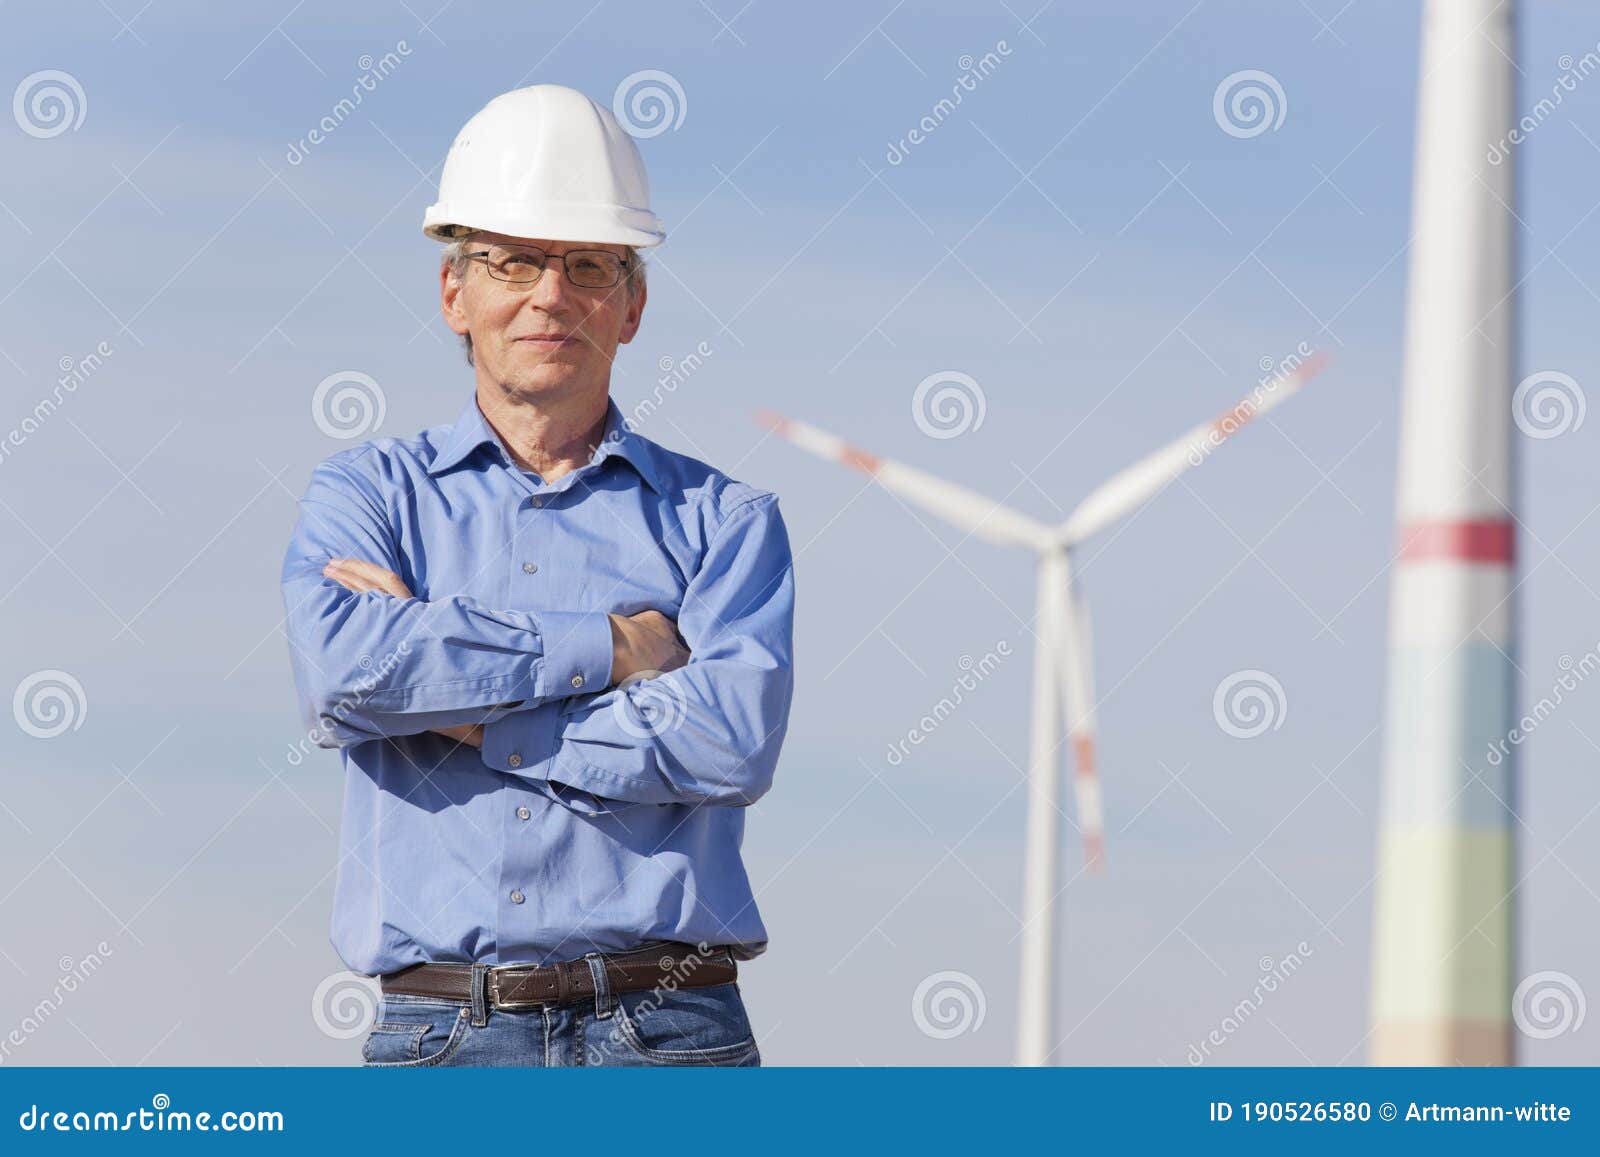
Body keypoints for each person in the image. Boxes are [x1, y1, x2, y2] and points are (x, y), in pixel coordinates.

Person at [279, 84, 795, 1067]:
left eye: (588, 265)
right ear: (453, 293)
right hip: (441, 1034)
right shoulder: (368, 495)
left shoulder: (725, 522)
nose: (549, 295)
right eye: (511, 259)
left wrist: (450, 695)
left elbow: (728, 744)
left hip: (669, 1034)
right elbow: (346, 676)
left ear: (632, 304)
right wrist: (610, 646)